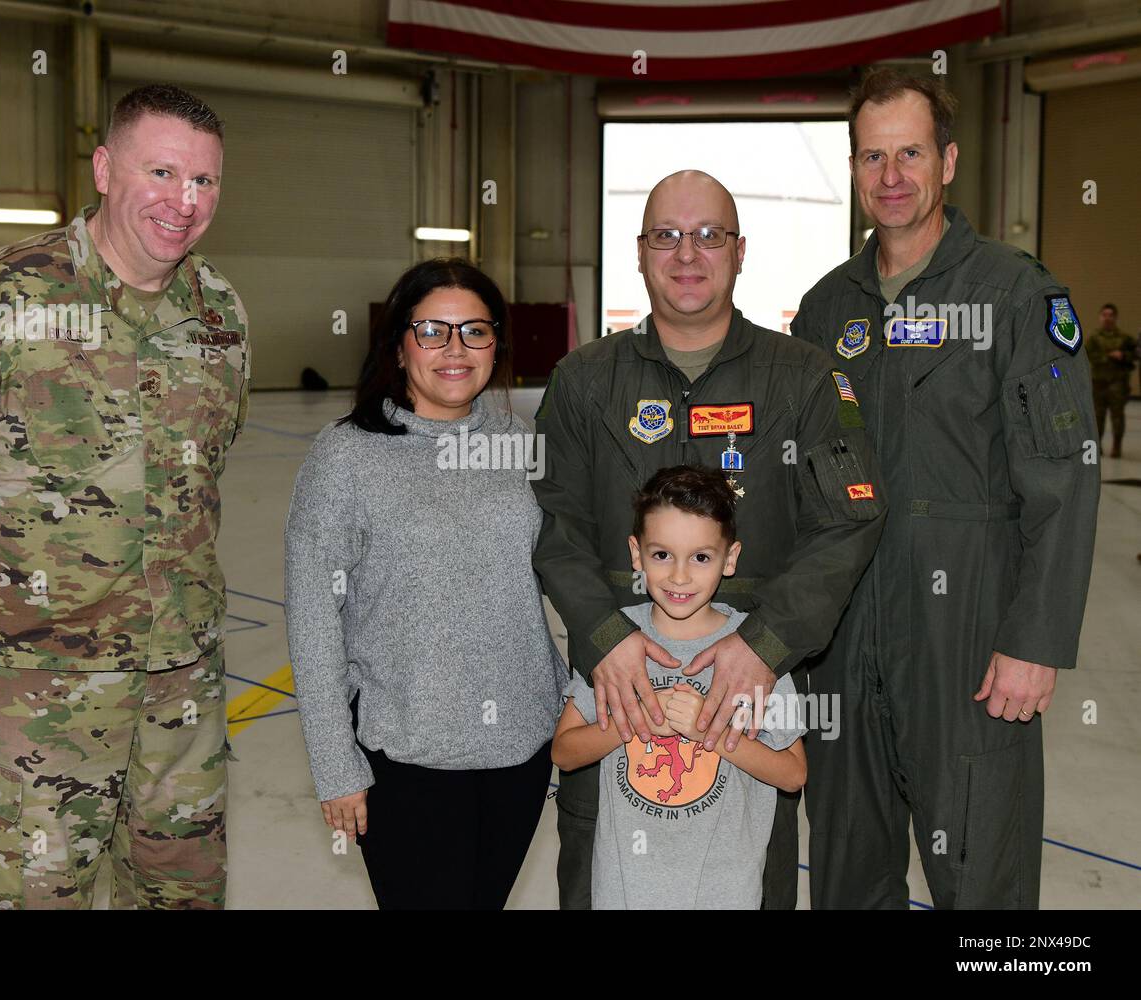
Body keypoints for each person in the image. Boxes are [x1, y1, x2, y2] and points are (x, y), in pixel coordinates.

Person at [0, 83, 250, 909]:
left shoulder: (218, 313)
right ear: (106, 168)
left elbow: (210, 462)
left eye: (205, 182)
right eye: (161, 172)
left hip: (179, 676)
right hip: (41, 680)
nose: (184, 202)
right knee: (37, 892)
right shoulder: (2, 295)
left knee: (181, 892)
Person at [532, 169, 886, 910]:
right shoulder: (585, 381)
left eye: (708, 236)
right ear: (639, 251)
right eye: (667, 235)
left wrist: (765, 645)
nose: (687, 254)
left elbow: (848, 518)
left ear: (739, 250)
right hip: (617, 696)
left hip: (745, 700)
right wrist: (606, 639)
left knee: (747, 882)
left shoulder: (805, 379)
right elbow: (552, 525)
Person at [792, 68, 1101, 909]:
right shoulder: (826, 311)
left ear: (949, 161)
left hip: (969, 641)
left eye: (911, 153)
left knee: (982, 875)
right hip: (845, 646)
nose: (891, 176)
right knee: (849, 875)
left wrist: (1035, 640)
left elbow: (1064, 478)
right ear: (854, 170)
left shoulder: (1014, 293)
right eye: (872, 156)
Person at [285, 258, 566, 910]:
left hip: (520, 749)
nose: (455, 350)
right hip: (405, 759)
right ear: (398, 342)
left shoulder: (519, 443)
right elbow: (312, 617)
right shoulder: (346, 455)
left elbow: (551, 578)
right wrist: (335, 764)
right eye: (433, 331)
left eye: (475, 331)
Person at [552, 465, 806, 909]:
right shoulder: (616, 642)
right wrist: (641, 719)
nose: (680, 577)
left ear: (730, 558)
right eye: (662, 555)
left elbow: (792, 773)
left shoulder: (755, 652)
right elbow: (565, 752)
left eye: (701, 557)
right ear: (636, 553)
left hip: (724, 891)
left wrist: (706, 729)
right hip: (625, 890)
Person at [1085, 303, 1135, 457]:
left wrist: (1123, 356)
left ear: (1115, 318)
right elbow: (1086, 356)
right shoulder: (1093, 338)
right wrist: (1107, 357)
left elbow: (1133, 357)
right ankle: (1096, 447)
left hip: (1117, 383)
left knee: (1117, 418)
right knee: (1097, 418)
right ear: (1100, 317)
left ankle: (1116, 447)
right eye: (1104, 315)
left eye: (1110, 315)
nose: (1107, 318)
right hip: (1098, 383)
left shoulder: (1125, 338)